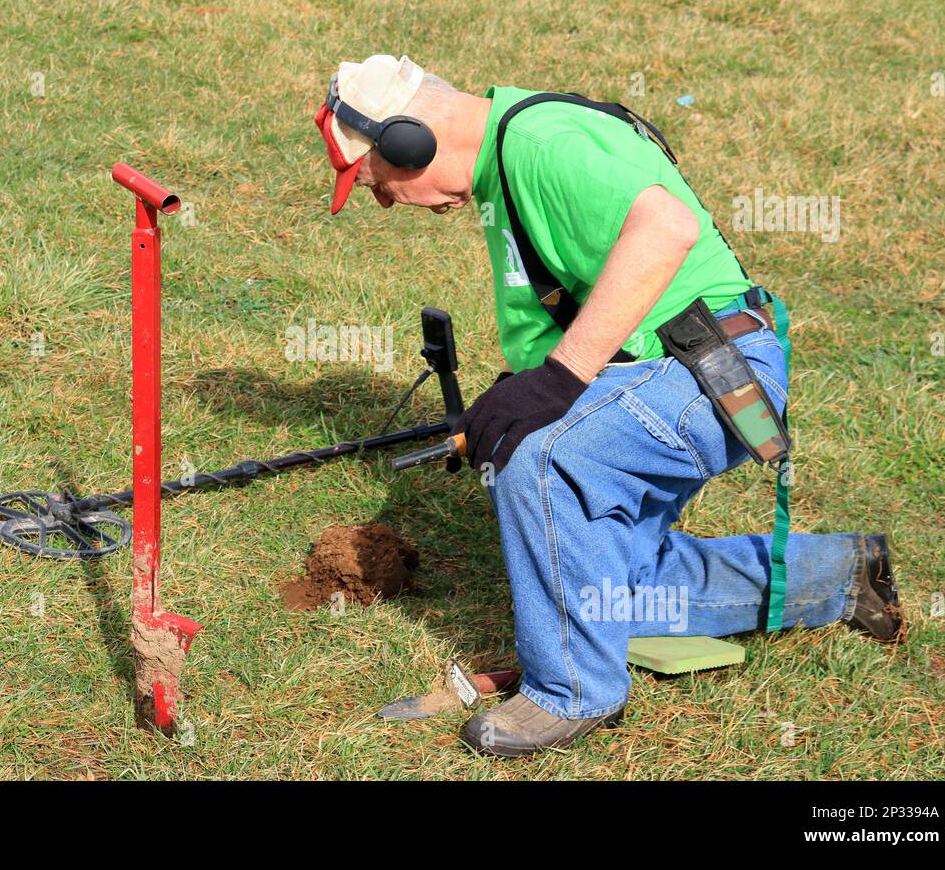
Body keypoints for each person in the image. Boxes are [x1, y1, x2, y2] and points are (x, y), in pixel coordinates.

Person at [314, 54, 903, 758]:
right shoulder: (505, 167)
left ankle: (571, 694)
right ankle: (841, 574)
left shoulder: (543, 143)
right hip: (675, 370)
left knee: (543, 456)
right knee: (608, 593)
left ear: (410, 141)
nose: (385, 201)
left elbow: (666, 230)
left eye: (377, 182)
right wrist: (515, 393)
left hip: (710, 370)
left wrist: (557, 384)